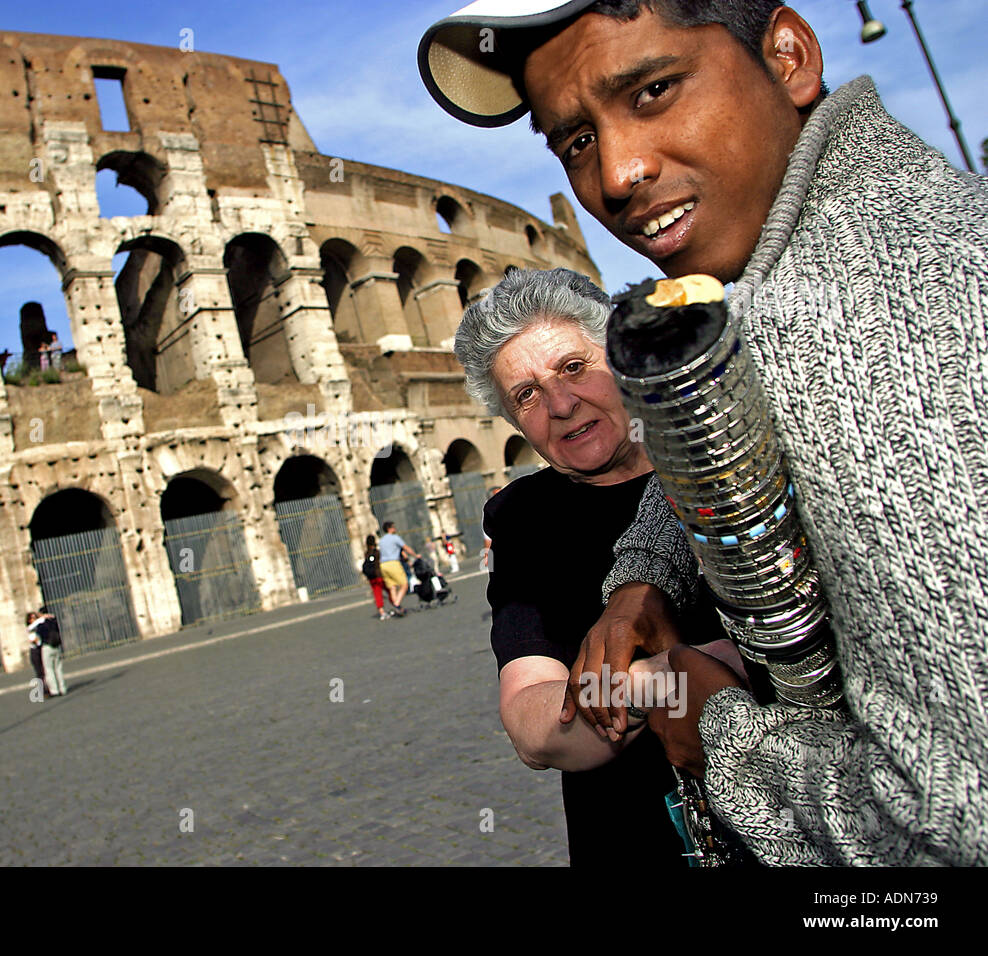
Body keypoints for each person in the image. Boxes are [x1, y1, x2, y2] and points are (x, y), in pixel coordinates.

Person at [420, 0, 988, 865]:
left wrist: (711, 724)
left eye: (652, 89)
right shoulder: (776, 301)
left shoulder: (866, 320)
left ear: (789, 54)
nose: (617, 173)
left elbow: (947, 825)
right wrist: (643, 579)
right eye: (574, 140)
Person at [456, 266, 738, 865]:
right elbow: (532, 723)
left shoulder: (730, 446)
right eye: (526, 395)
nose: (560, 404)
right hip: (638, 838)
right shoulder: (524, 519)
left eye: (573, 367)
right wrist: (659, 680)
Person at [377, 522, 419, 616]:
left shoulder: (381, 540)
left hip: (383, 565)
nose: (395, 528)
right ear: (390, 528)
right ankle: (397, 604)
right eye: (393, 527)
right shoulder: (395, 538)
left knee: (392, 587)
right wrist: (415, 555)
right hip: (393, 563)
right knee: (404, 584)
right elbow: (406, 548)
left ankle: (398, 607)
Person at [29, 608, 66, 697]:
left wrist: (40, 620)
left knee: (49, 669)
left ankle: (54, 690)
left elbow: (33, 631)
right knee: (58, 668)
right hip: (56, 646)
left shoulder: (41, 624)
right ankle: (62, 688)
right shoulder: (53, 621)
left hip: (47, 647)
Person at [360, 535, 392, 621]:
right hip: (379, 575)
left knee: (377, 593)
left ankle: (381, 611)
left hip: (371, 577)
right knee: (390, 590)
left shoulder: (366, 553)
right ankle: (395, 604)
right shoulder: (376, 552)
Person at [26, 611, 48, 694]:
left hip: (40, 649)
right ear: (29, 620)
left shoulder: (38, 627)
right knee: (39, 672)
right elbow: (34, 641)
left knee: (45, 670)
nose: (34, 619)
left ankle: (47, 687)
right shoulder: (30, 628)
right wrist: (42, 617)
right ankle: (42, 690)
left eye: (35, 617)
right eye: (32, 618)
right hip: (35, 651)